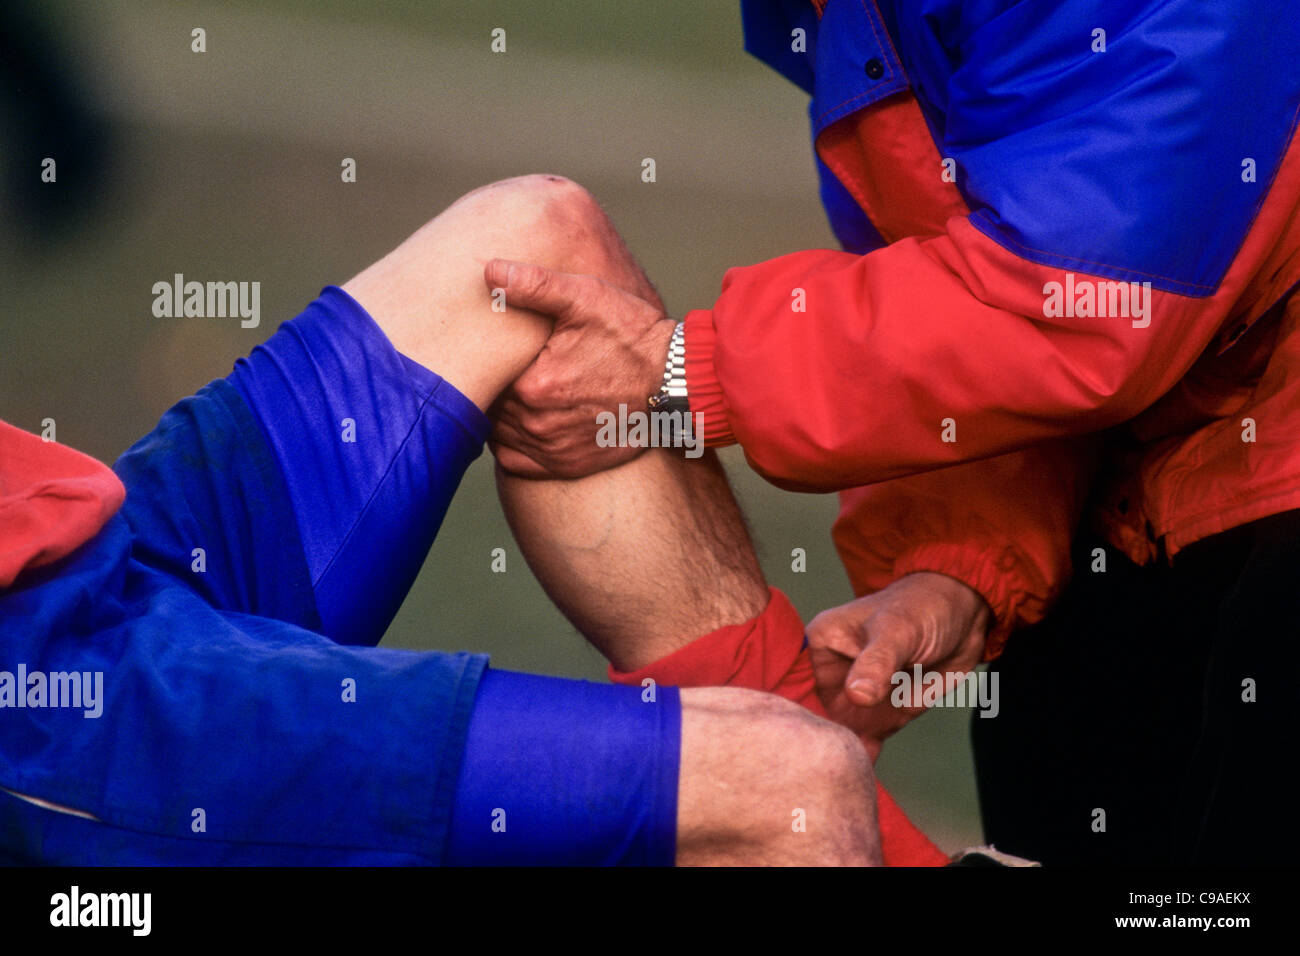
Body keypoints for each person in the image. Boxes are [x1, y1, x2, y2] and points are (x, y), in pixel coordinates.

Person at [478, 3, 1300, 865]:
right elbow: (995, 279)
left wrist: (681, 372)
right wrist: (966, 568)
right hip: (1163, 463)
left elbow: (1086, 291)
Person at [1, 174, 949, 866]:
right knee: (792, 787)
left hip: (88, 558)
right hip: (49, 702)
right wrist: (699, 365)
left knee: (538, 242)